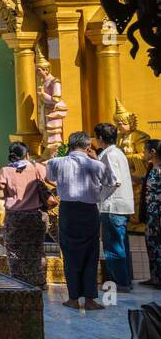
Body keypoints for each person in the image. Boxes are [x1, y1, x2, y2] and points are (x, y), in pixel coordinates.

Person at [45, 131, 116, 310]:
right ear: (87, 147)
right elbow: (112, 182)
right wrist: (99, 196)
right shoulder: (96, 165)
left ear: (69, 146)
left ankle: (73, 298)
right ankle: (90, 299)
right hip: (89, 210)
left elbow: (50, 178)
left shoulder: (56, 163)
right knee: (90, 254)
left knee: (69, 254)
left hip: (68, 211)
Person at [0, 142, 49, 289]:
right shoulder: (36, 168)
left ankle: (19, 282)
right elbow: (50, 180)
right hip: (36, 215)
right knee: (37, 248)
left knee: (14, 250)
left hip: (15, 217)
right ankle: (41, 282)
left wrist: (9, 193)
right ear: (26, 154)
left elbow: (0, 194)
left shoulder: (5, 171)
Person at [93, 122, 135, 292]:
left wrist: (99, 194)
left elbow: (114, 180)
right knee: (121, 244)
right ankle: (125, 280)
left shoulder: (109, 155)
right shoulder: (118, 153)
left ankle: (119, 282)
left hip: (112, 206)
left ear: (101, 138)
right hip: (120, 205)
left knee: (113, 246)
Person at [142, 139, 161, 289]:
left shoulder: (159, 170)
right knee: (152, 245)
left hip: (158, 214)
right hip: (151, 214)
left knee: (158, 245)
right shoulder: (151, 168)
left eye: (145, 150)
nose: (144, 153)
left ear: (152, 152)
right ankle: (154, 277)